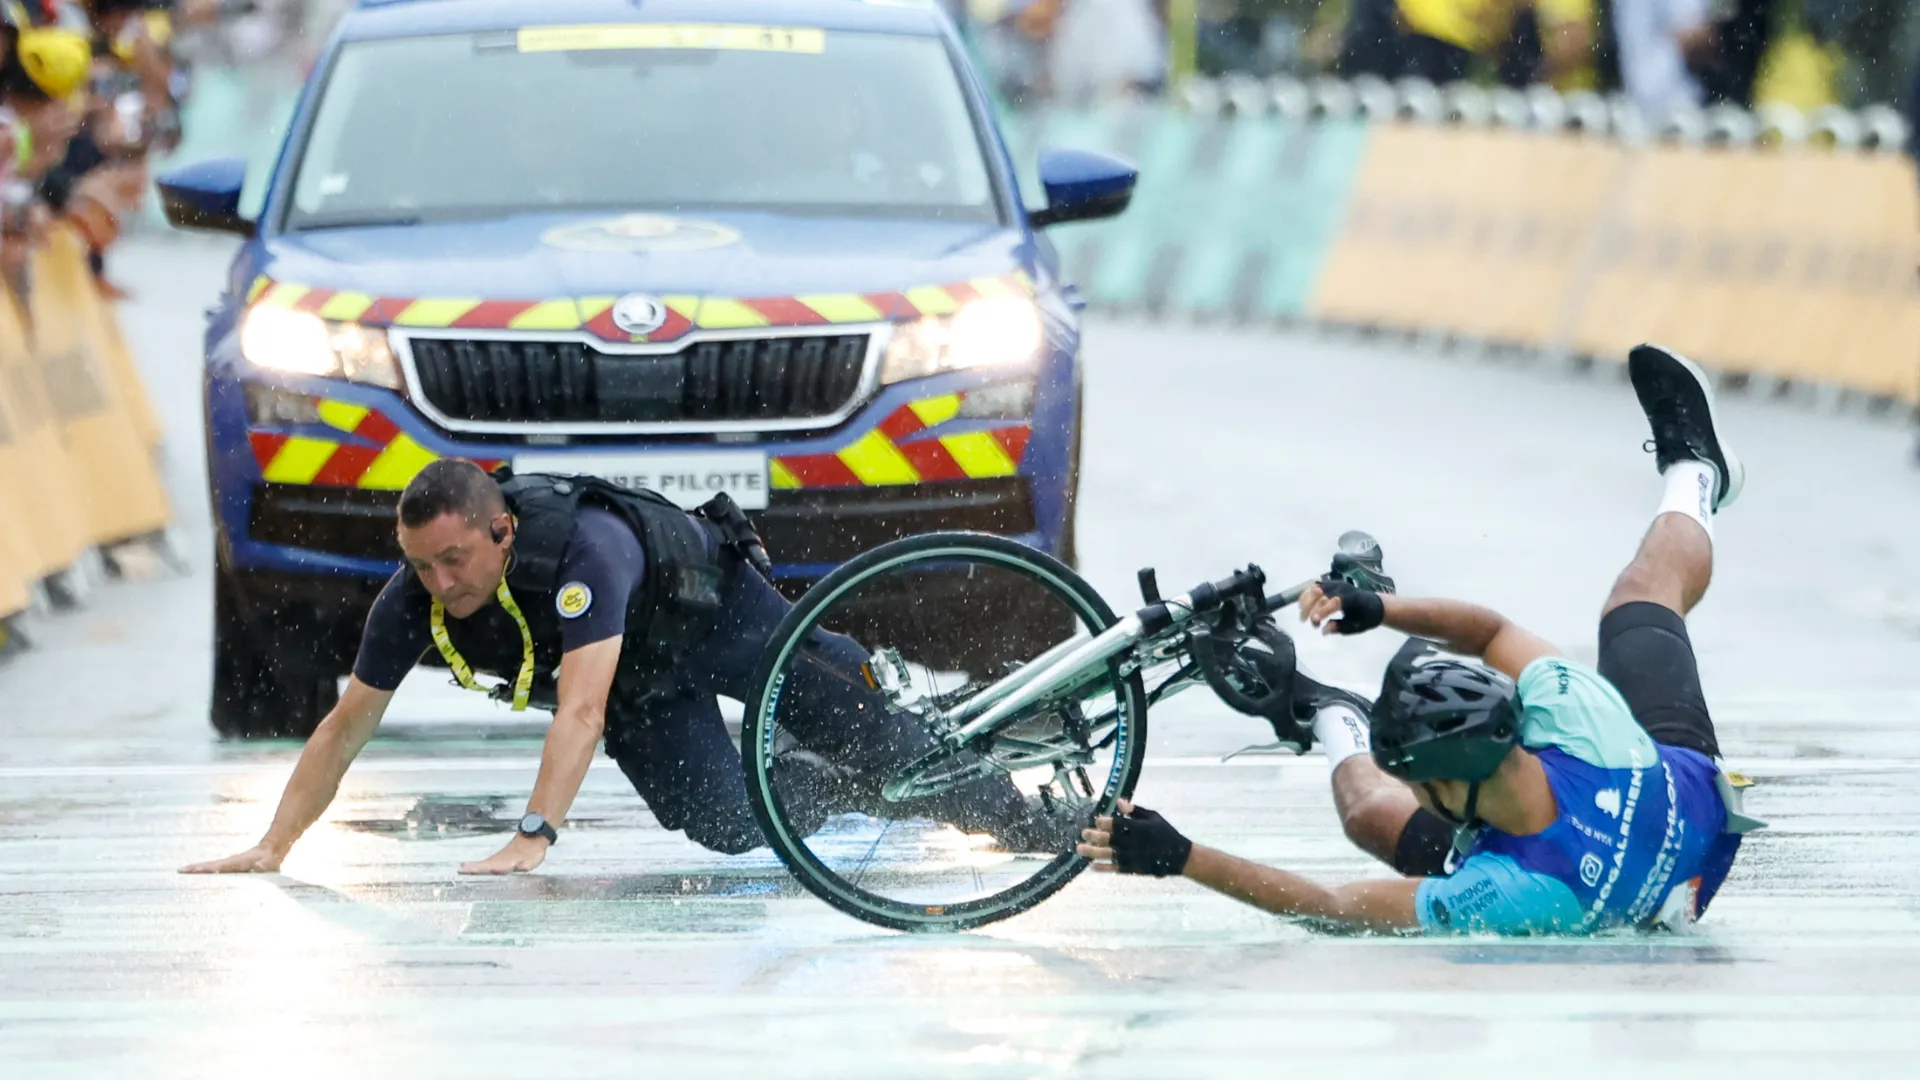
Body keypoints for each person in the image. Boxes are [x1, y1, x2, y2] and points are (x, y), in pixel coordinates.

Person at [1079, 343, 1764, 934]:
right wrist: (1378, 607)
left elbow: (1336, 906)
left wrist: (1183, 856)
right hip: (1668, 780)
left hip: (1664, 851)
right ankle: (1695, 475)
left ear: (1442, 785)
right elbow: (1491, 631)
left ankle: (1330, 712)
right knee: (1640, 600)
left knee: (1373, 816)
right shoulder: (1580, 716)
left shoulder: (1514, 894)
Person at [184, 462, 1072, 877]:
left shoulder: (583, 553)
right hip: (645, 679)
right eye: (421, 565)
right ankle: (833, 790)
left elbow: (579, 713)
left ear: (503, 532)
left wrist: (533, 836)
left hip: (716, 618)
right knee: (727, 822)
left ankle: (1034, 819)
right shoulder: (410, 600)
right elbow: (346, 726)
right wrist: (274, 843)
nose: (440, 584)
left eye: (455, 560)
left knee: (878, 735)